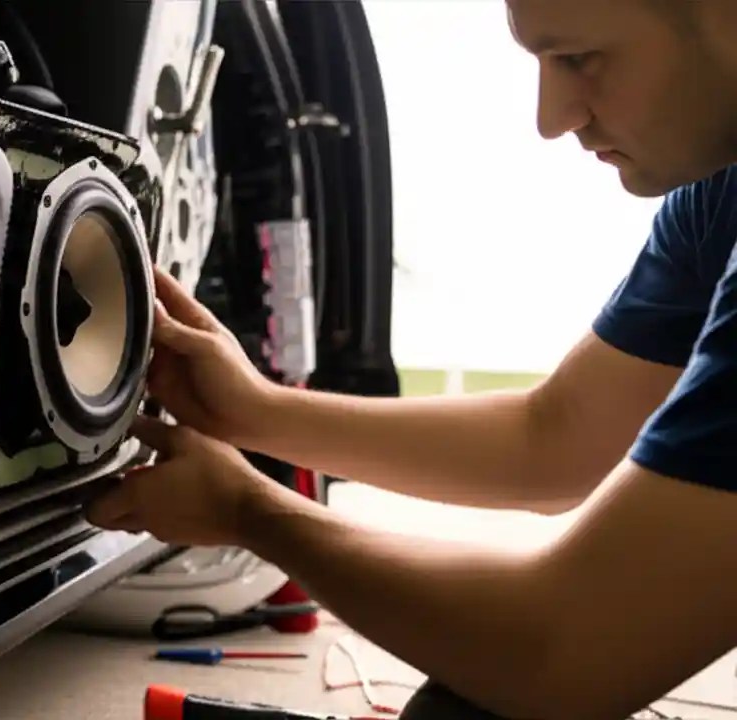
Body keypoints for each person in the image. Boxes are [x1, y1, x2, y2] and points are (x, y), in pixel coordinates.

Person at [84, 1, 737, 718]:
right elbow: (556, 439)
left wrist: (248, 512)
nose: (552, 118)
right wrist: (251, 411)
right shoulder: (718, 193)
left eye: (580, 59)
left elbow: (559, 649)